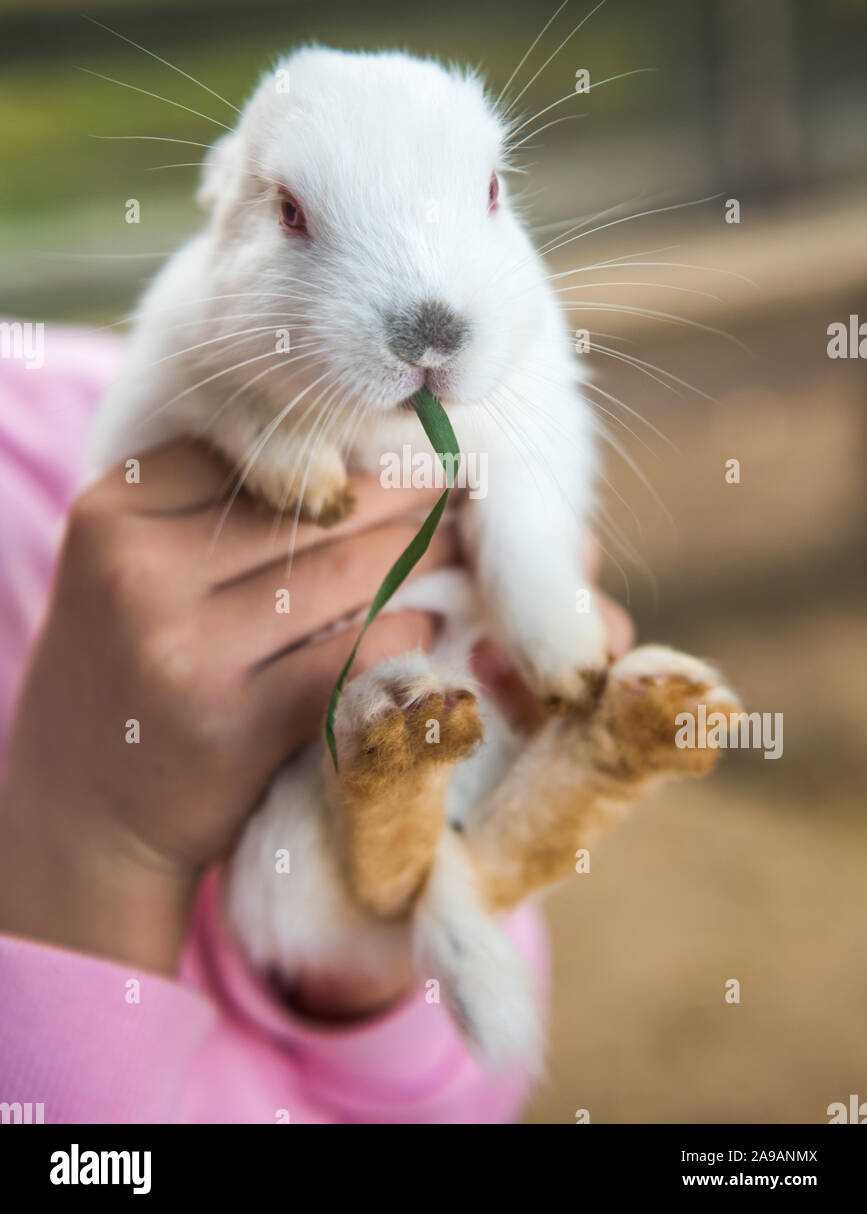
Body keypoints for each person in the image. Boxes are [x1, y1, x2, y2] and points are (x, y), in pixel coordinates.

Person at [0, 327, 632, 1124]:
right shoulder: (143, 420)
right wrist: (97, 844)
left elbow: (460, 1097)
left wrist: (365, 952)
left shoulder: (79, 399)